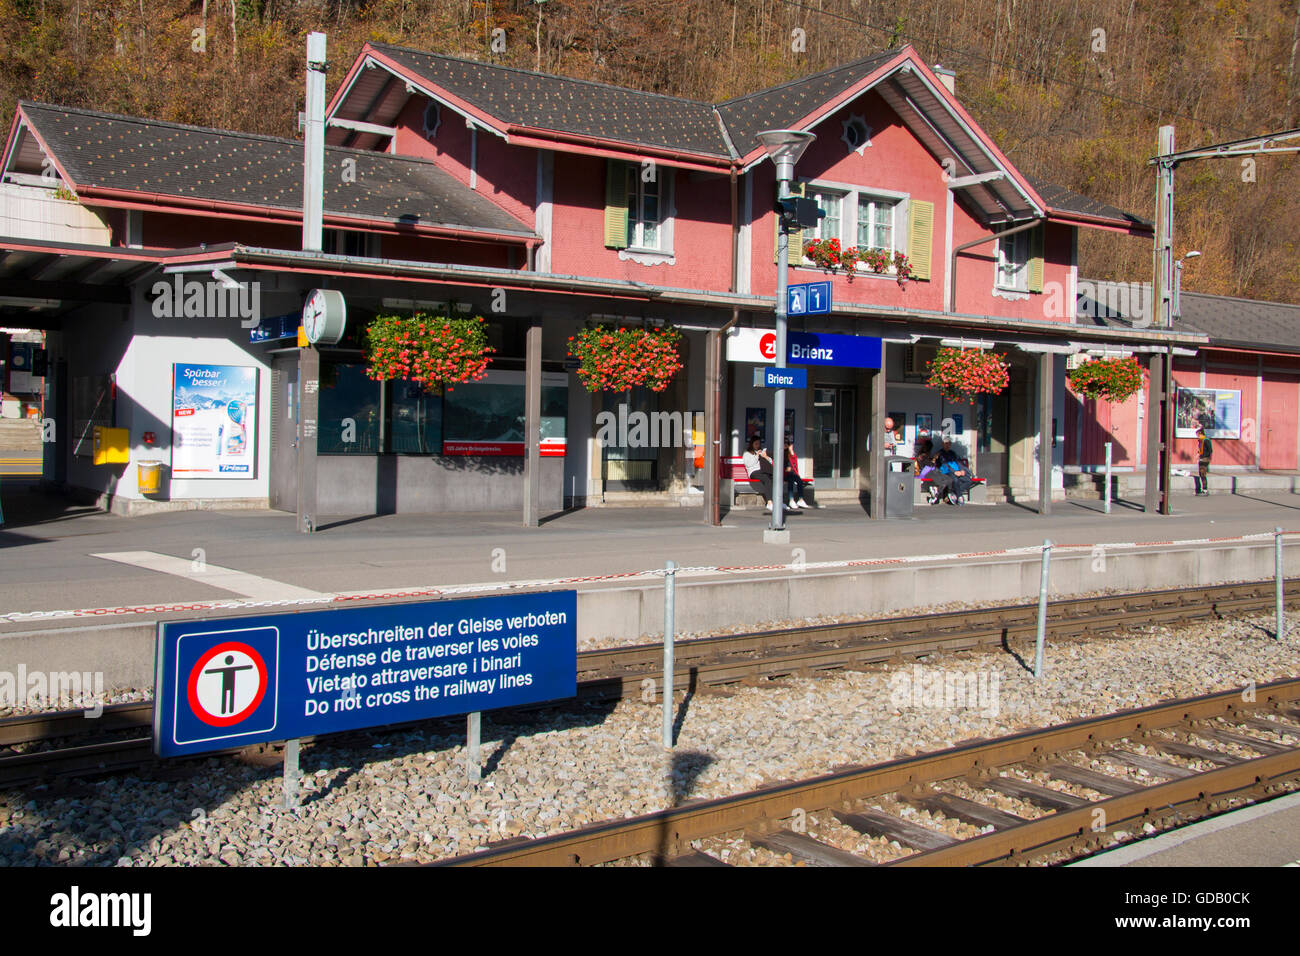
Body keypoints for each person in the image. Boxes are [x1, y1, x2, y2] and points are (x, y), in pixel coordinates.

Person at [742, 435, 777, 512]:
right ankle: (770, 502)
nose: (758, 446)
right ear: (752, 444)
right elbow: (749, 464)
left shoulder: (761, 452)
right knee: (766, 479)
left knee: (774, 478)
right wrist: (757, 456)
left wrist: (765, 457)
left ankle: (777, 502)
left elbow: (771, 462)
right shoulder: (747, 453)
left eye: (759, 444)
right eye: (756, 444)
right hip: (753, 472)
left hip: (762, 471)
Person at [783, 436, 809, 510]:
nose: (785, 446)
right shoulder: (780, 453)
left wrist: (791, 451)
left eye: (787, 444)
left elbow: (794, 461)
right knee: (791, 481)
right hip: (784, 474)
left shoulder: (790, 454)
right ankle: (791, 500)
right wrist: (786, 470)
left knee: (799, 481)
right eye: (784, 444)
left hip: (792, 473)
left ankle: (801, 499)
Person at [1195, 426, 1213, 495]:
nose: (1197, 436)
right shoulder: (1201, 441)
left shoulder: (1206, 440)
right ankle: (1203, 489)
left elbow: (1210, 450)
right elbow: (1200, 450)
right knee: (1201, 473)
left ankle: (1205, 490)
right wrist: (1198, 455)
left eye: (1197, 435)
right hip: (1201, 459)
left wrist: (1206, 457)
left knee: (1203, 474)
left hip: (1205, 459)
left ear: (1201, 434)